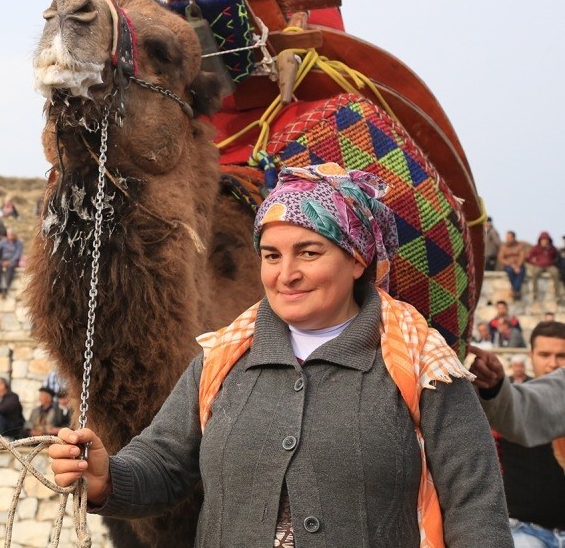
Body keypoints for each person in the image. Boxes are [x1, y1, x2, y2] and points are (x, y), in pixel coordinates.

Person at [49, 163, 512, 546]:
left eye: (308, 253)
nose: (285, 274)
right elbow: (164, 464)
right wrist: (108, 478)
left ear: (356, 259)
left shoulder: (424, 367)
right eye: (271, 255)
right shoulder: (221, 359)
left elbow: (476, 508)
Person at [470, 322, 565, 545]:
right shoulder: (510, 399)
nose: (553, 363)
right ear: (531, 355)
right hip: (524, 530)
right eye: (545, 355)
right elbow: (514, 409)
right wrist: (493, 388)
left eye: (561, 355)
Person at [525, 231, 562, 302]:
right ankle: (535, 292)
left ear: (549, 240)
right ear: (540, 240)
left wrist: (554, 262)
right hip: (539, 265)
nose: (544, 241)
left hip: (550, 266)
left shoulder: (552, 248)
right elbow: (528, 257)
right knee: (535, 273)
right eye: (543, 240)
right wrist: (534, 262)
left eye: (546, 240)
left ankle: (557, 294)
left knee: (556, 272)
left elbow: (557, 257)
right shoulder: (536, 248)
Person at [498, 230, 531, 301]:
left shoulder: (520, 246)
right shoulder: (503, 246)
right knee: (509, 271)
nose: (508, 239)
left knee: (521, 271)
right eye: (507, 238)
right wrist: (512, 265)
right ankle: (516, 291)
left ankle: (515, 290)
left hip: (519, 265)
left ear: (513, 238)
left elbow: (522, 256)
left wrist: (517, 266)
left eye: (509, 238)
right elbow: (501, 258)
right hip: (509, 265)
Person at [0, 229, 24, 294]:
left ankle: (6, 286)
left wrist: (10, 261)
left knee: (11, 267)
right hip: (3, 259)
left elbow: (17, 254)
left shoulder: (19, 243)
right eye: (9, 235)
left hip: (13, 261)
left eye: (12, 235)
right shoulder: (3, 242)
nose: (10, 236)